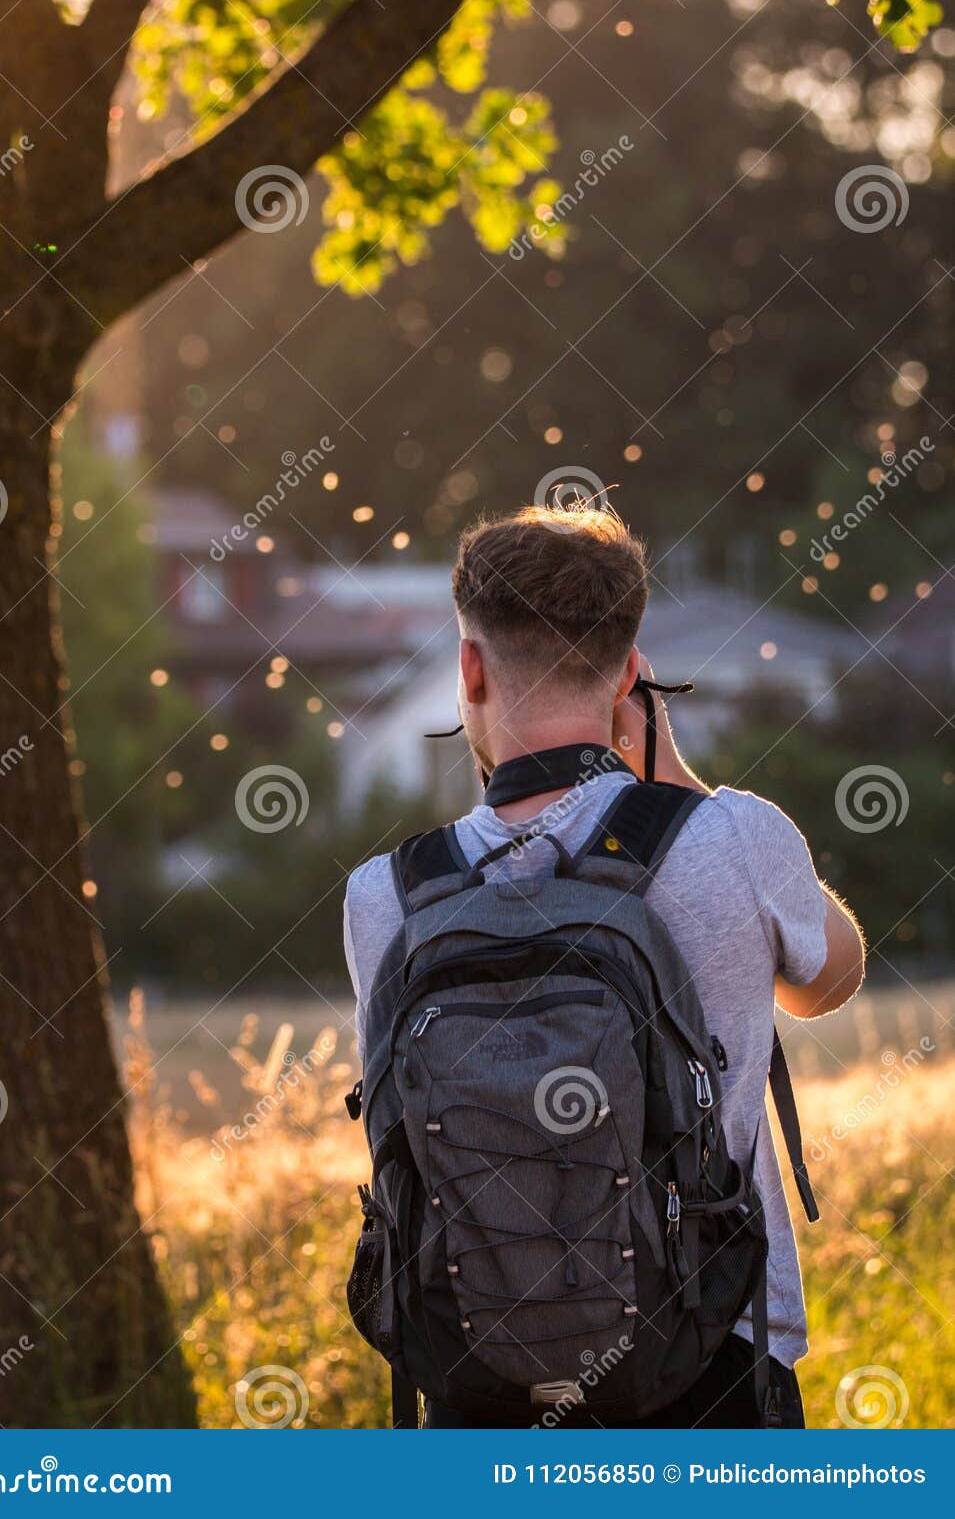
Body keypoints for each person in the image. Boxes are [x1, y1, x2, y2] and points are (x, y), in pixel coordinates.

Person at [344, 506, 864, 1427]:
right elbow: (830, 978)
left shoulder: (386, 895)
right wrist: (671, 778)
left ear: (469, 670)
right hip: (712, 1359)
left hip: (475, 1375)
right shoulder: (734, 839)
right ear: (630, 672)